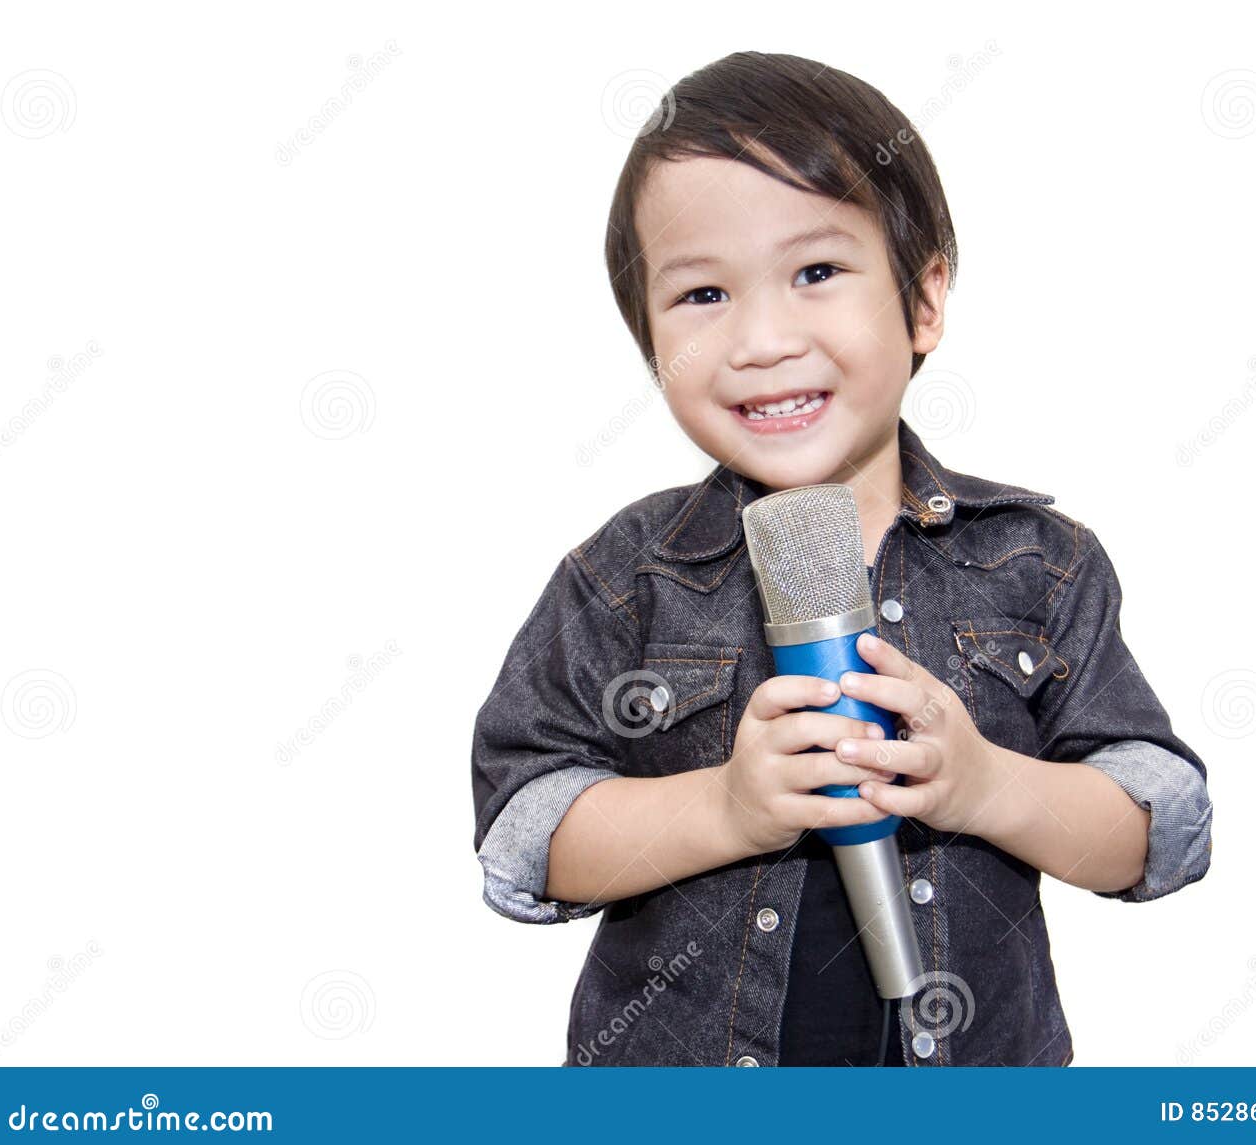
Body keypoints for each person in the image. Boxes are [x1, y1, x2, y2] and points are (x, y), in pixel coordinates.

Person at [470, 50, 1212, 1067]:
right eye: (702, 295)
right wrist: (723, 808)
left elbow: (1158, 826)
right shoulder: (624, 576)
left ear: (923, 301)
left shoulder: (1038, 563)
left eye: (815, 272)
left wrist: (988, 785)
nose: (764, 337)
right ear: (650, 344)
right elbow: (523, 833)